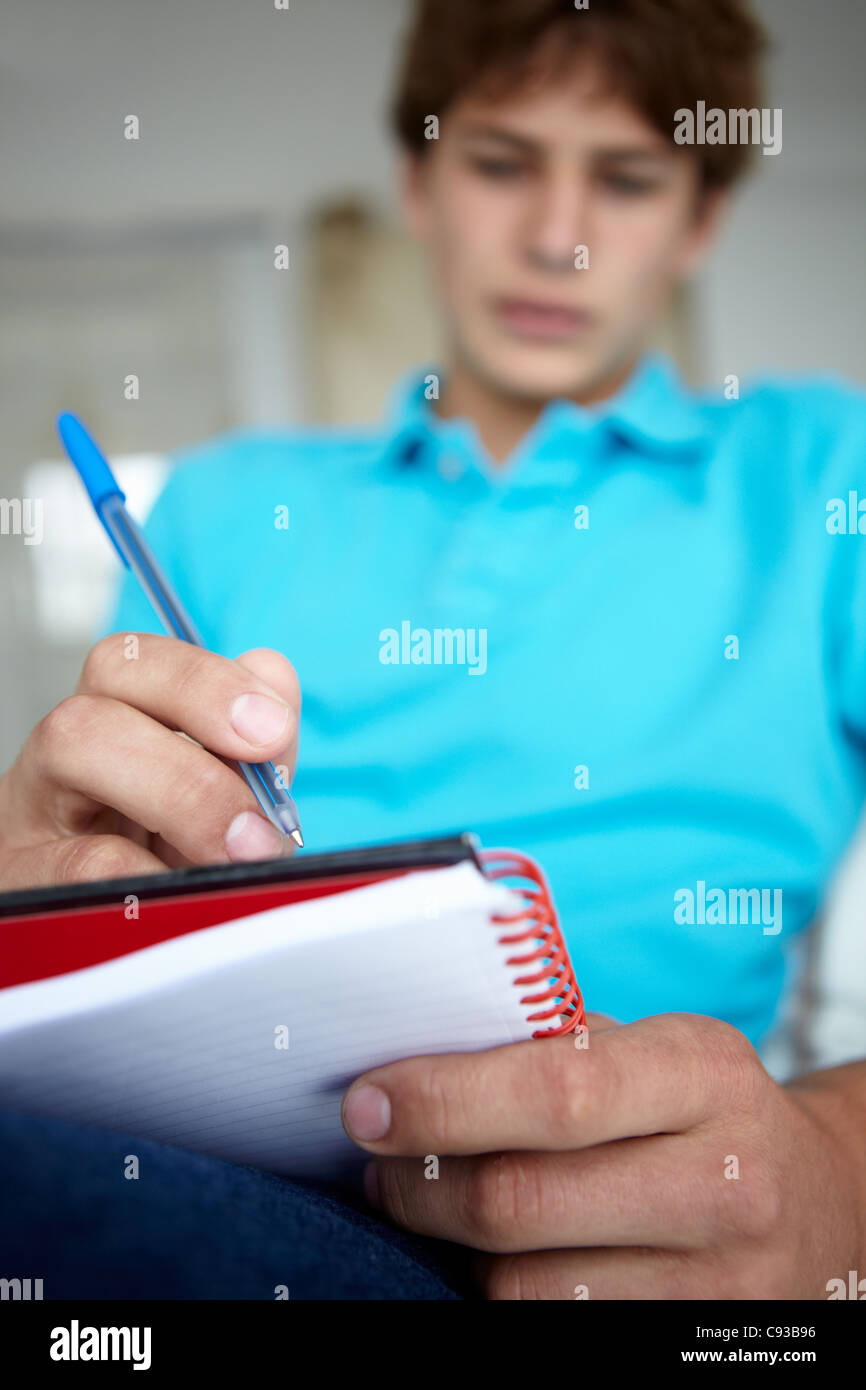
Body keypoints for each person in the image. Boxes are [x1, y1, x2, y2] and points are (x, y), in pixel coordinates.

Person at [2, 0, 865, 1299]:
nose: (555, 235)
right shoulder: (227, 506)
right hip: (232, 1175)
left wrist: (834, 1167)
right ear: (418, 177)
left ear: (698, 222)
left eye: (625, 179)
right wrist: (40, 902)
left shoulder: (822, 472)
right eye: (501, 162)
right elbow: (120, 905)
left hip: (621, 1228)